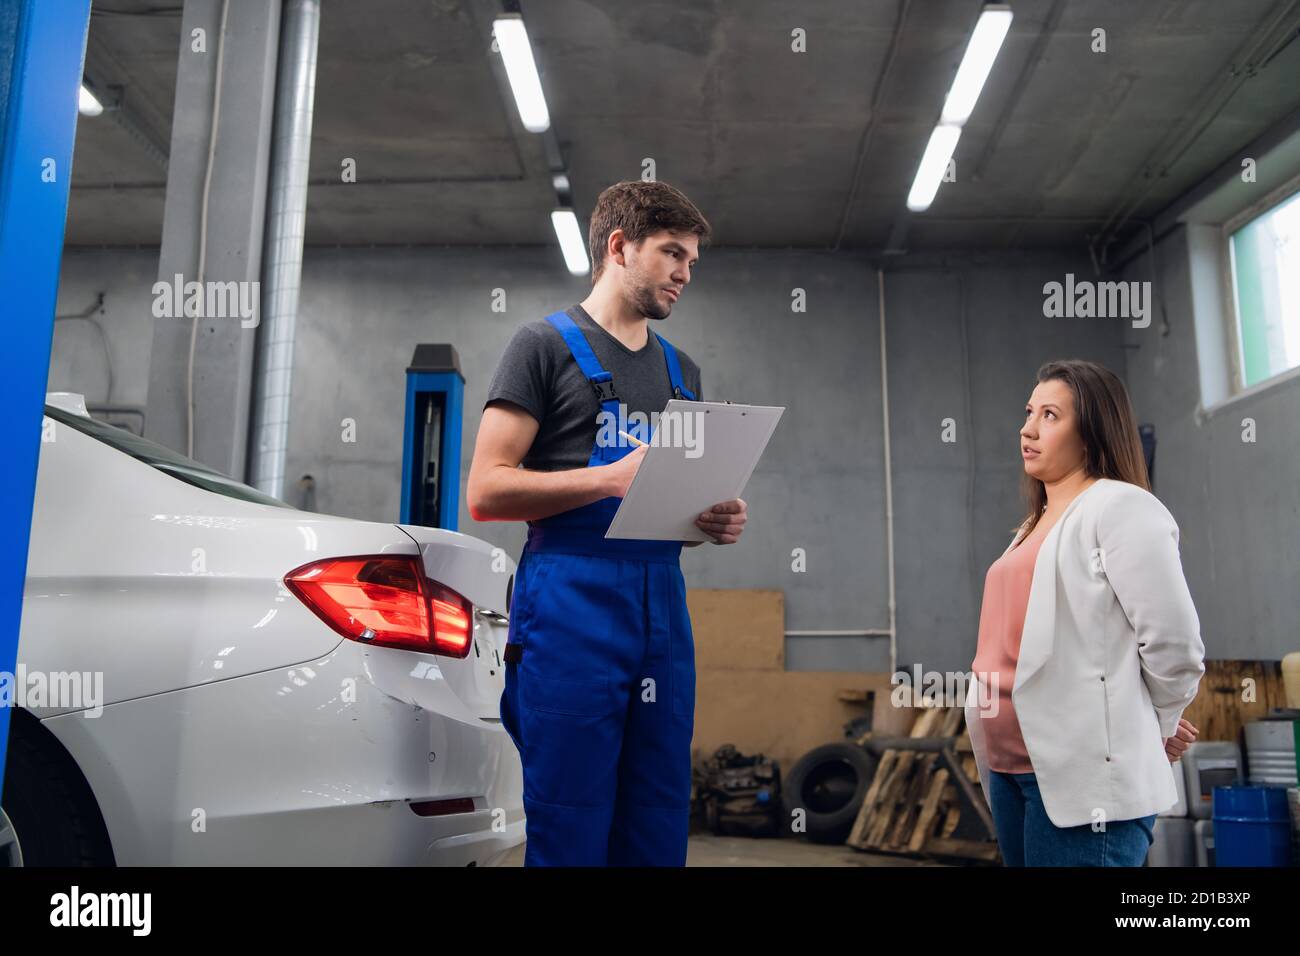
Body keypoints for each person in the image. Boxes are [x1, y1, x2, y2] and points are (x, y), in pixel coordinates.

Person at [467, 180, 748, 866]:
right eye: (672, 253)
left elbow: (674, 510)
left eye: (692, 262)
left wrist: (711, 516)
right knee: (572, 820)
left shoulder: (683, 373)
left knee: (655, 817)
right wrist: (610, 478)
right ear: (619, 247)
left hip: (662, 603)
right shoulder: (541, 346)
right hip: (569, 602)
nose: (685, 272)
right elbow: (485, 489)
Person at [964, 359, 1205, 867]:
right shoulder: (1033, 524)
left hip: (1082, 779)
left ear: (1093, 430)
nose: (1028, 429)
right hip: (1013, 772)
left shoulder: (1120, 508)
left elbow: (1174, 645)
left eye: (1050, 415)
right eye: (1029, 412)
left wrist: (1153, 724)